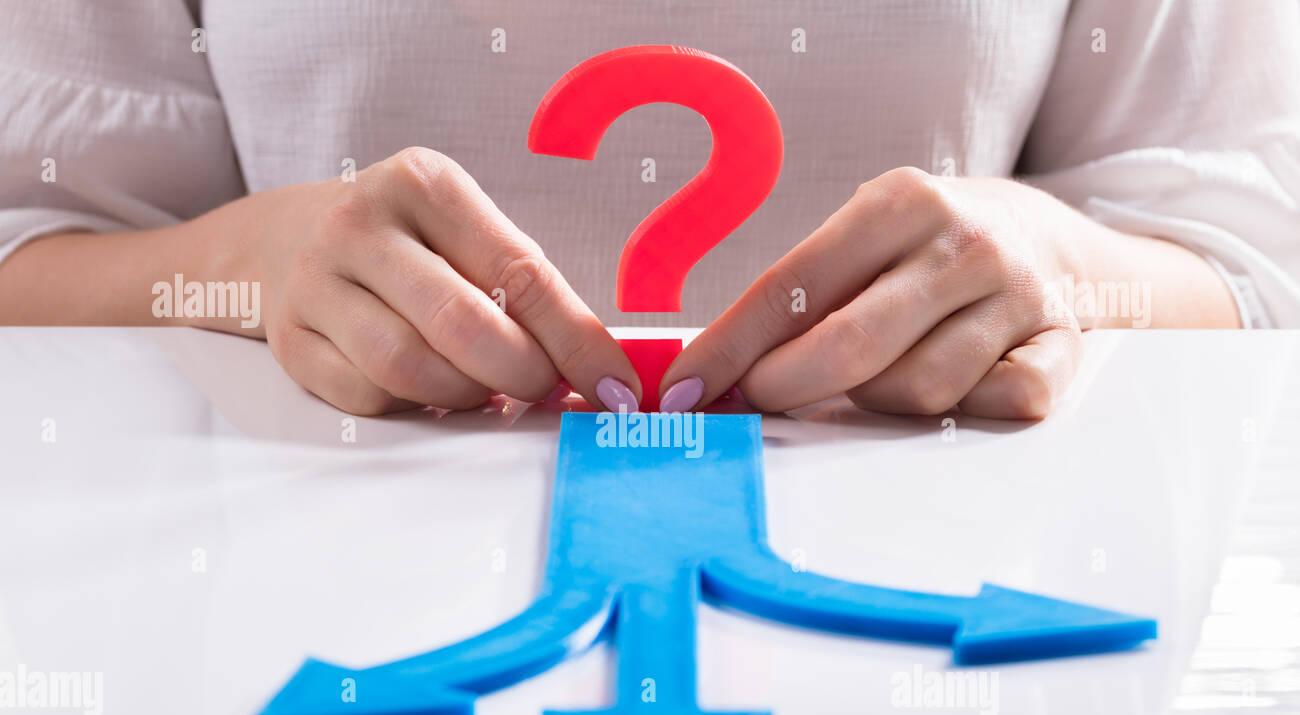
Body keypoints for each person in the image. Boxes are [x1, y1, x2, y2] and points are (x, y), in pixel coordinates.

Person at [1, 1, 1297, 419]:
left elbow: (1252, 257)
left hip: (952, 677)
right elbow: (26, 245)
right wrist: (251, 259)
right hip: (304, 636)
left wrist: (1061, 263)